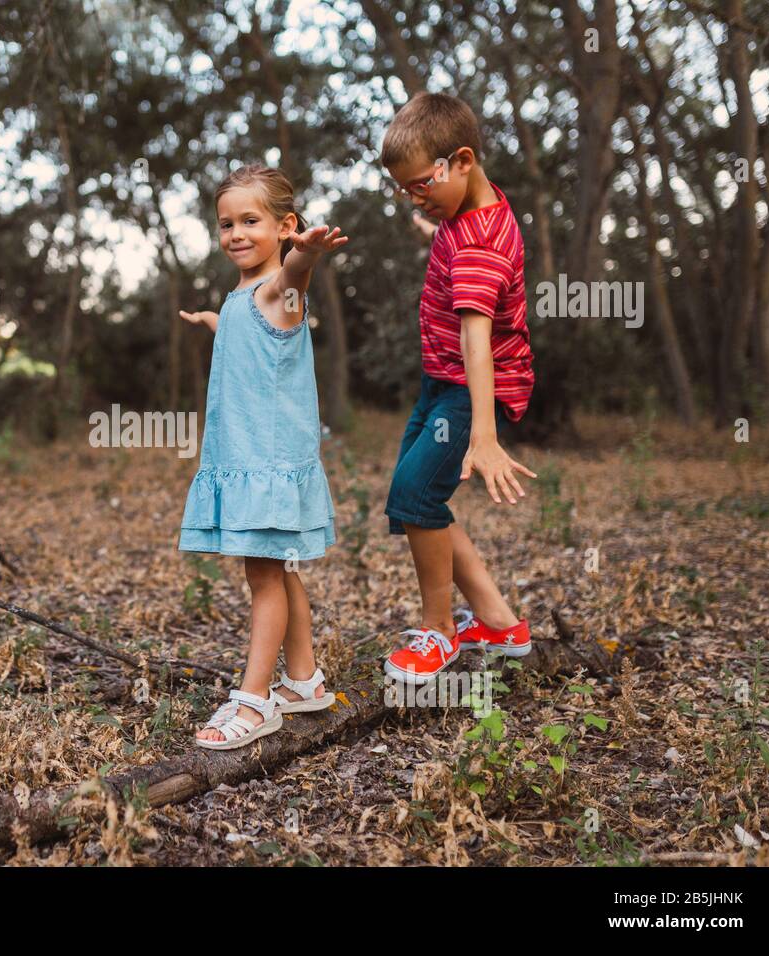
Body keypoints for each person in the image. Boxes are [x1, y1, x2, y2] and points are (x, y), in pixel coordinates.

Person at [177, 163, 348, 749]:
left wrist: (308, 255)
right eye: (227, 223)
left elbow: (291, 281)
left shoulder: (283, 289)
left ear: (285, 226)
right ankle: (302, 682)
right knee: (280, 566)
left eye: (251, 221)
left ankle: (253, 704)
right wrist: (215, 323)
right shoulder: (243, 297)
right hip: (250, 459)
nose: (236, 234)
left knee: (263, 573)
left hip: (268, 464)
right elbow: (245, 329)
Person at [377, 92, 537, 685]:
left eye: (421, 184)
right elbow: (461, 248)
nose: (416, 195)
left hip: (467, 390)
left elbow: (479, 340)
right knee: (416, 500)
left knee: (416, 497)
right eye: (405, 189)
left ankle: (440, 632)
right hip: (441, 382)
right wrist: (433, 228)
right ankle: (497, 621)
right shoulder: (471, 214)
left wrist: (485, 437)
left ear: (462, 160)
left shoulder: (475, 243)